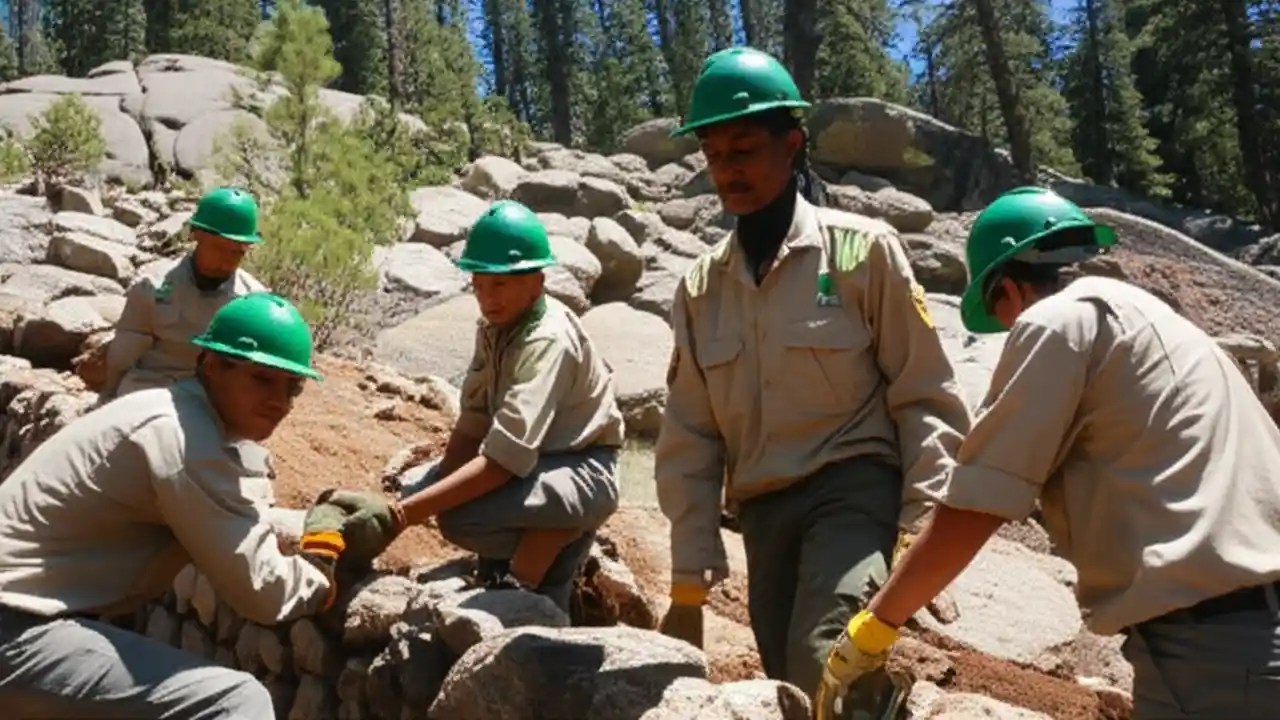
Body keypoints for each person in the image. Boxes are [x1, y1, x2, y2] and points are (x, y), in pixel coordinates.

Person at [818, 186, 1280, 720]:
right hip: (1250, 632)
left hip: (1213, 654)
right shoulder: (1162, 327)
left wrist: (874, 628)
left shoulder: (1056, 321)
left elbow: (977, 505)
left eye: (1002, 318)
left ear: (1007, 290)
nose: (1010, 332)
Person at [653, 45, 973, 701]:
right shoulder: (701, 287)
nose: (727, 170)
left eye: (743, 150)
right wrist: (688, 585)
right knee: (784, 688)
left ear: (792, 144)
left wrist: (920, 528)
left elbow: (927, 397)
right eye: (714, 155)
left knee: (823, 660)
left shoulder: (863, 251)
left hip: (852, 487)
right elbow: (691, 435)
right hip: (764, 511)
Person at [0, 292, 401, 719]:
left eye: (293, 387)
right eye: (263, 379)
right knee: (236, 702)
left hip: (27, 619)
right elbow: (263, 594)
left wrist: (318, 519)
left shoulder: (173, 415)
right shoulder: (186, 442)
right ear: (210, 364)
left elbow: (235, 516)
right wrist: (322, 556)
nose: (280, 402)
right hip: (16, 628)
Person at [392, 200, 626, 613]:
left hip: (584, 471)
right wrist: (416, 498)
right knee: (425, 489)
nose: (486, 298)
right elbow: (473, 424)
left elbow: (504, 458)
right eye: (479, 285)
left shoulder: (545, 339)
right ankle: (520, 570)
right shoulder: (497, 328)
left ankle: (539, 562)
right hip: (541, 467)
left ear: (536, 282)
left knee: (459, 519)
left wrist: (402, 516)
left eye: (498, 284)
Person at [101, 186, 267, 400]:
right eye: (218, 248)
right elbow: (123, 355)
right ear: (196, 235)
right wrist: (107, 398)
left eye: (237, 252)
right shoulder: (152, 286)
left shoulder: (252, 303)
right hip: (149, 387)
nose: (226, 261)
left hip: (211, 399)